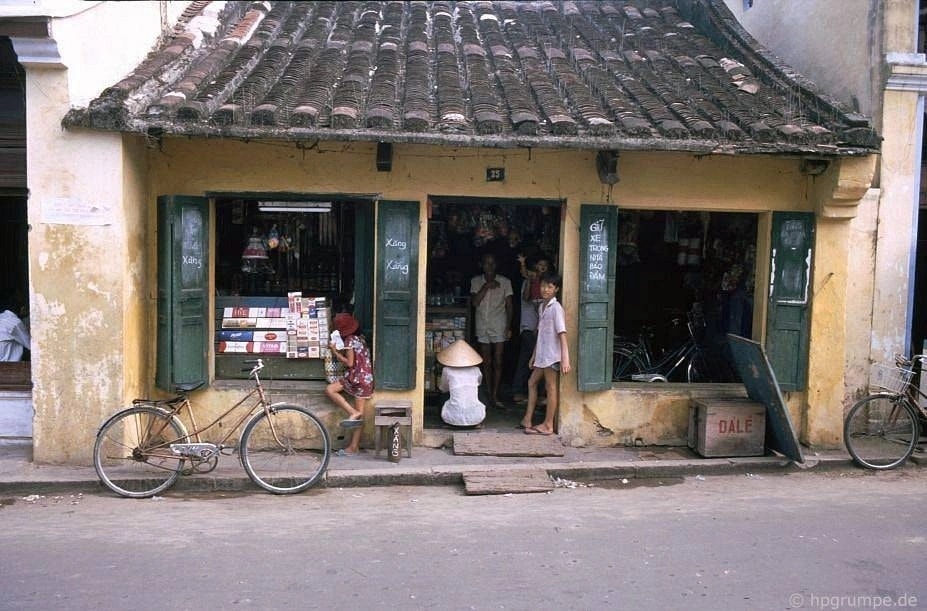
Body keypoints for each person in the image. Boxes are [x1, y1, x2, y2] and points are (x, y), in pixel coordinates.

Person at [521, 273, 570, 436]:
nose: (545, 289)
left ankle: (548, 425)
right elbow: (541, 334)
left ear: (556, 289)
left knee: (550, 387)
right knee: (532, 382)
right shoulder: (542, 307)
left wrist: (565, 358)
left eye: (550, 287)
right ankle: (527, 419)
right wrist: (534, 356)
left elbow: (562, 334)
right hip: (542, 356)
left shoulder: (556, 308)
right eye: (543, 286)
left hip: (552, 356)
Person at [325, 312, 373, 455]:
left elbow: (350, 363)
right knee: (360, 417)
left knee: (330, 390)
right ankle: (354, 446)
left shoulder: (350, 340)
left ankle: (352, 413)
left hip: (356, 378)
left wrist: (335, 352)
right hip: (365, 379)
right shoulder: (361, 339)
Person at [470, 253, 513, 407]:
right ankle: (488, 394)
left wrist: (508, 327)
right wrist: (486, 286)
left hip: (499, 324)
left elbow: (509, 306)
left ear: (496, 265)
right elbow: (475, 302)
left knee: (498, 360)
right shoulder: (476, 281)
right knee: (486, 361)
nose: (489, 266)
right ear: (481, 265)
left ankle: (495, 394)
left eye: (492, 263)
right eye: (487, 263)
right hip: (482, 324)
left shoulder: (505, 282)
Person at [511, 255, 551, 403]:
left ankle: (535, 393)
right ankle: (522, 391)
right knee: (529, 359)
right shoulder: (530, 281)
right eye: (539, 265)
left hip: (541, 330)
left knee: (538, 360)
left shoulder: (547, 285)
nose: (541, 268)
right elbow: (526, 297)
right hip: (529, 327)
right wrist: (524, 267)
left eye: (544, 265)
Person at [436, 339, 486, 428]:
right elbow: (478, 383)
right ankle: (473, 421)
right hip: (476, 418)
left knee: (442, 394)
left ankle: (449, 420)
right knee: (479, 391)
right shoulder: (476, 370)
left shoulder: (447, 370)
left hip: (452, 419)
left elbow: (443, 388)